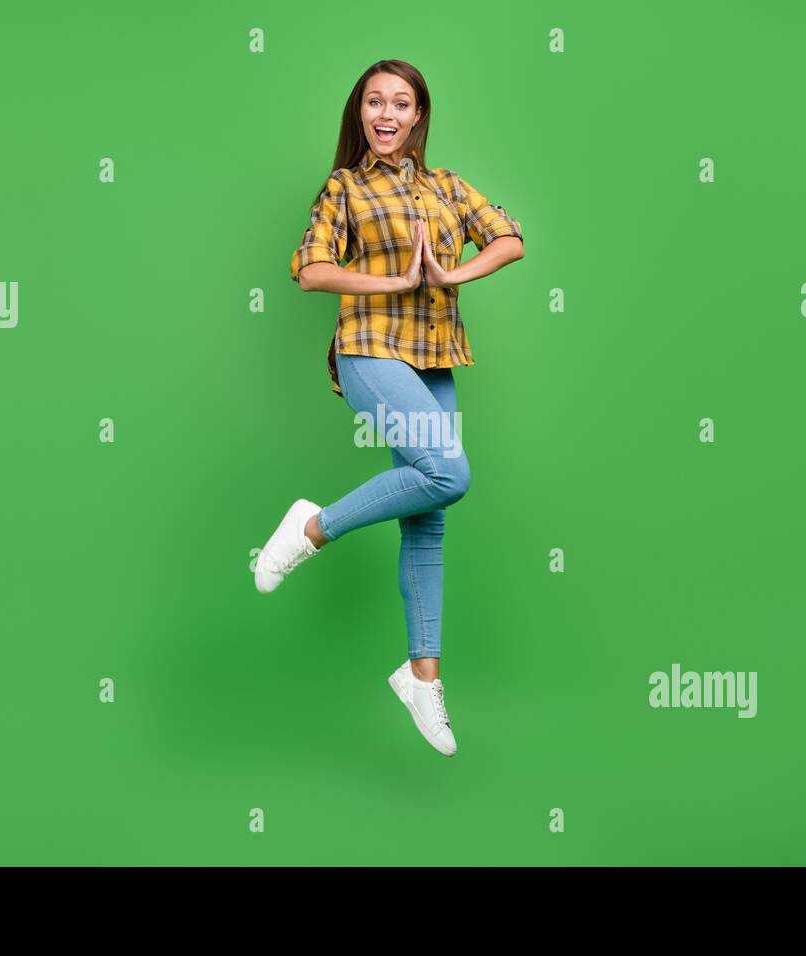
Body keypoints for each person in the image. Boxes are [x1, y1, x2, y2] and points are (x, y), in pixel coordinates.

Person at [256, 59, 524, 757]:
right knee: (448, 471)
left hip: (433, 354)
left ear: (417, 116)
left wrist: (450, 272)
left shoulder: (446, 187)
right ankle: (314, 527)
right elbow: (310, 269)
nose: (386, 114)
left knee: (428, 517)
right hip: (372, 347)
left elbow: (510, 238)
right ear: (360, 114)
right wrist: (388, 280)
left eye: (400, 103)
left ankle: (421, 676)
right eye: (374, 102)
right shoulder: (344, 187)